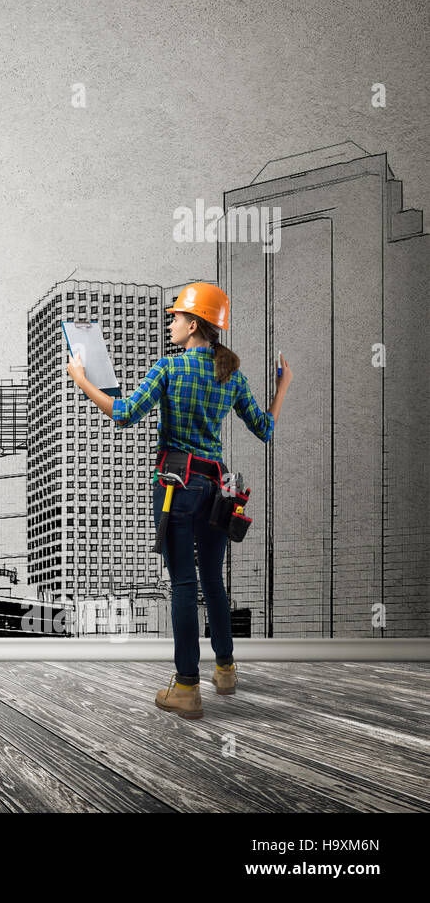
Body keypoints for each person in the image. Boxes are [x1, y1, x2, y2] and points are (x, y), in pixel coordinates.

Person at [64, 282, 292, 720]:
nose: (170, 324)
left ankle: (187, 687)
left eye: (175, 318)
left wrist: (81, 379)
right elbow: (265, 428)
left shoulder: (169, 368)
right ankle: (225, 669)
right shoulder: (231, 376)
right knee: (214, 582)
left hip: (176, 485)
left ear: (193, 324)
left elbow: (125, 413)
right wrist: (283, 386)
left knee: (184, 585)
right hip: (218, 490)